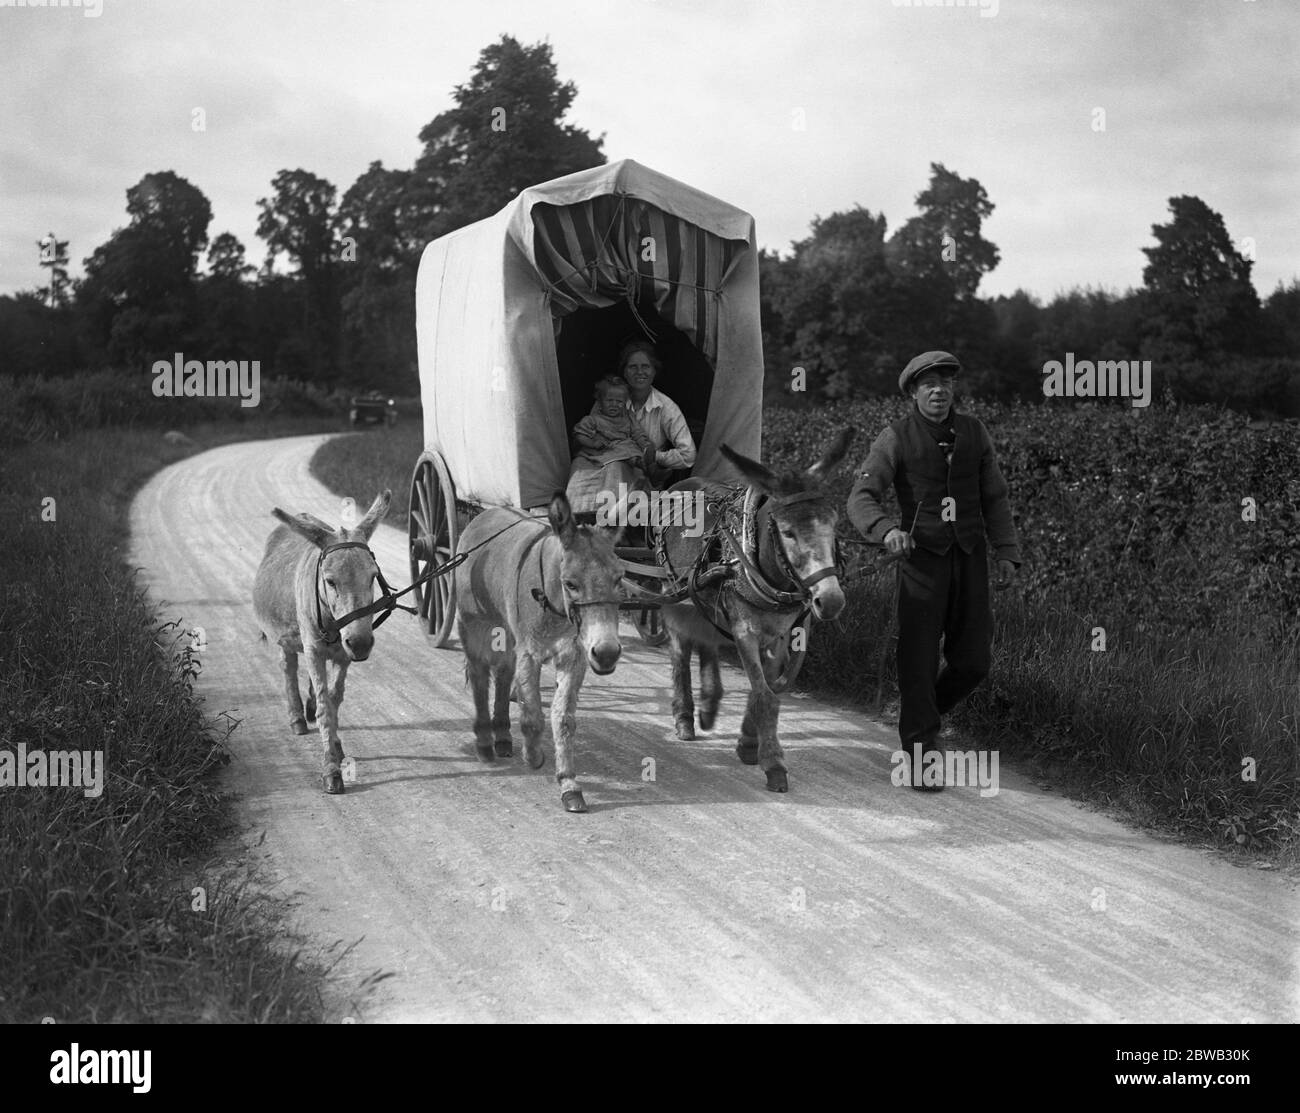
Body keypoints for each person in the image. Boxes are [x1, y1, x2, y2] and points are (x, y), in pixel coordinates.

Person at [847, 350, 1021, 791]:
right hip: (920, 561)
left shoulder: (975, 434)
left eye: (945, 383)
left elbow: (995, 498)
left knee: (974, 661)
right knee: (919, 662)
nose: (939, 391)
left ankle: (919, 717)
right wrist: (886, 531)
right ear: (913, 392)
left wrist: (1006, 551)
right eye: (929, 385)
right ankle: (922, 751)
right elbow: (861, 497)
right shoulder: (895, 438)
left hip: (970, 557)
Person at [618, 339, 696, 486]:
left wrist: (654, 457)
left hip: (644, 479)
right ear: (624, 372)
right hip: (612, 471)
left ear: (654, 370)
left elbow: (688, 455)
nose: (639, 372)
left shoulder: (666, 407)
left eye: (645, 366)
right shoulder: (612, 399)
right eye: (633, 367)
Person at [571, 375, 652, 468]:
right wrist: (592, 443)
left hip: (624, 448)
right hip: (603, 451)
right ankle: (641, 465)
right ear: (600, 401)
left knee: (631, 449)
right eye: (609, 400)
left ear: (625, 402)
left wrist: (645, 446)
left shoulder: (628, 416)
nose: (614, 404)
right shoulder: (593, 419)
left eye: (619, 401)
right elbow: (580, 435)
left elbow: (637, 433)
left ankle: (647, 466)